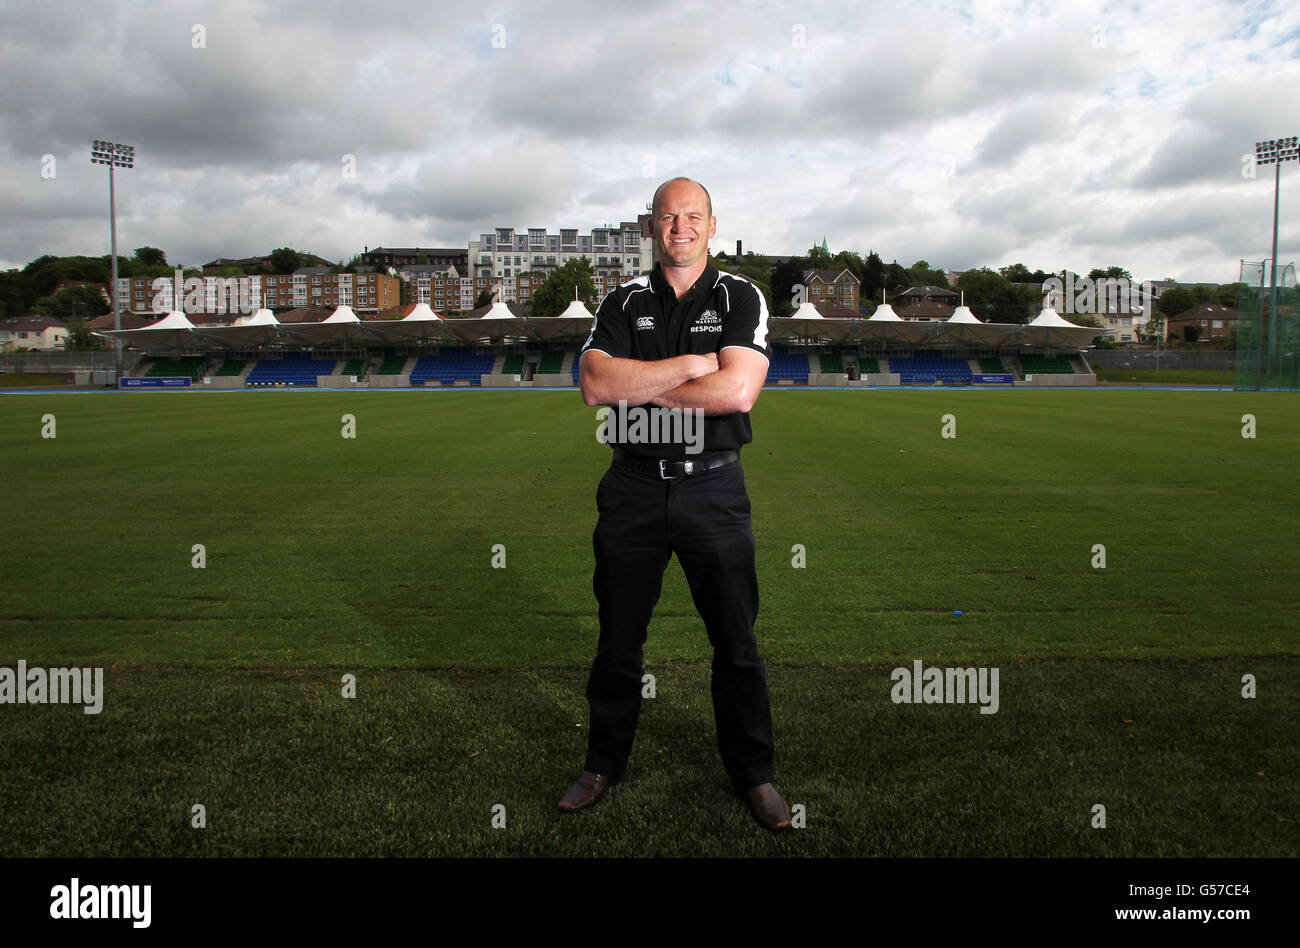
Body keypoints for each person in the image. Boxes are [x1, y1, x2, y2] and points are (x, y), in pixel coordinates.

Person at [558, 177, 790, 830]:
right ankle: (602, 764)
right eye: (667, 216)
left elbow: (738, 392)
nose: (679, 227)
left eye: (693, 216)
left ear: (712, 226)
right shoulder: (622, 300)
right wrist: (693, 364)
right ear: (650, 227)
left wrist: (642, 386)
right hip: (631, 487)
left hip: (712, 487)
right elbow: (597, 384)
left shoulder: (740, 296)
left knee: (735, 642)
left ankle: (755, 774)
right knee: (618, 642)